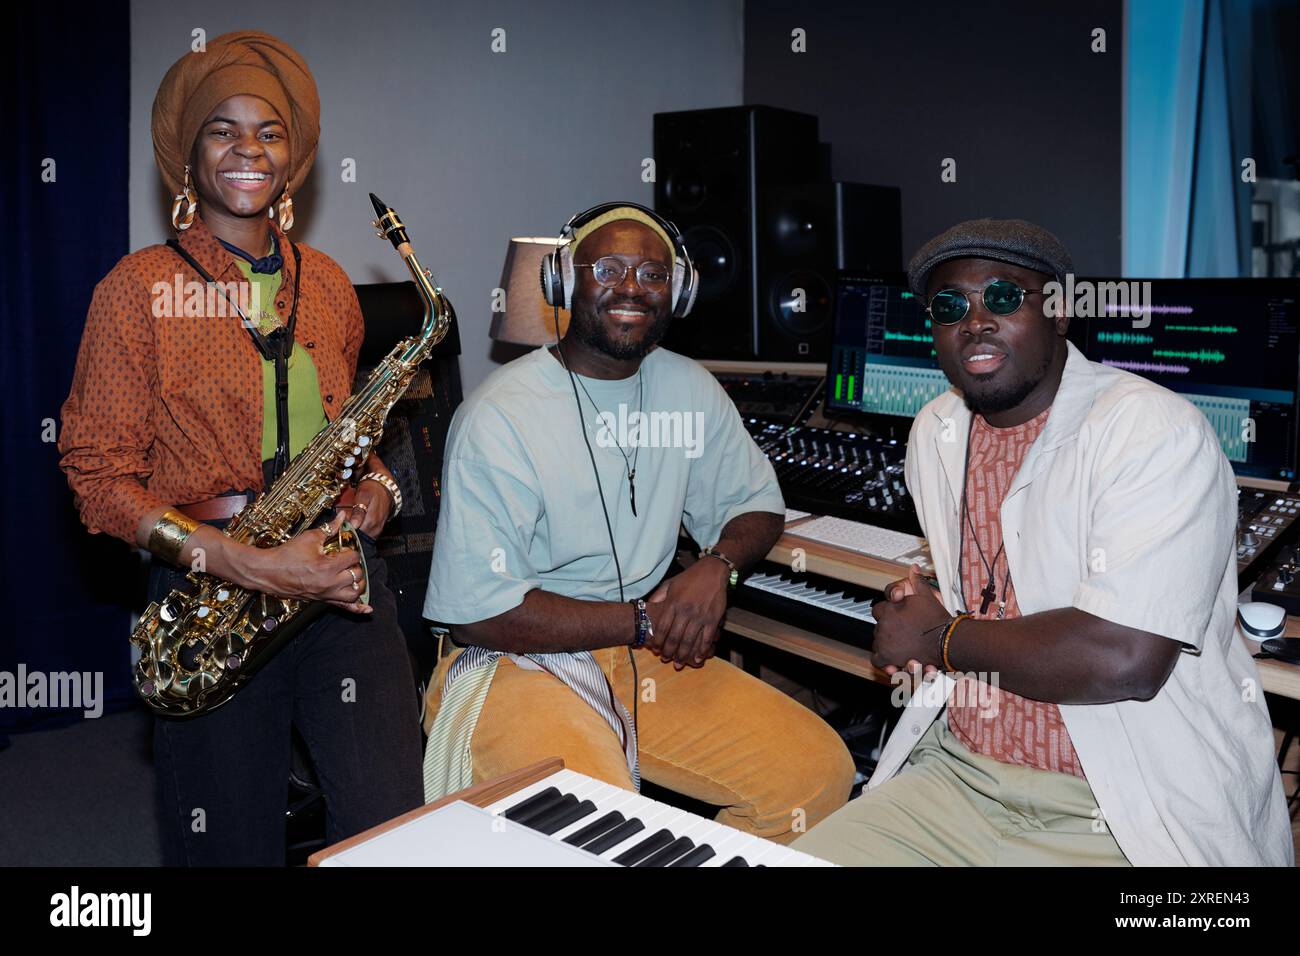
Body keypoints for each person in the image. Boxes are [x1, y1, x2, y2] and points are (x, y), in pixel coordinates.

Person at [793, 218, 1293, 866]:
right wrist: (935, 619)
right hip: (960, 778)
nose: (974, 321)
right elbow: (993, 585)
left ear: (1058, 313)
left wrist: (939, 639)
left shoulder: (1154, 433)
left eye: (1002, 297)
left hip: (1116, 805)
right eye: (951, 306)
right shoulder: (935, 431)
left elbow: (1125, 659)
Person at [57, 30, 423, 865]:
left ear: (293, 157)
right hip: (210, 594)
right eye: (222, 129)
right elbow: (98, 480)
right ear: (189, 156)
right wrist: (247, 564)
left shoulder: (329, 284)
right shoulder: (136, 288)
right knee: (227, 844)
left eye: (270, 131)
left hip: (337, 582)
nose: (248, 149)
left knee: (392, 832)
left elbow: (346, 435)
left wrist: (375, 492)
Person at [420, 204, 854, 843]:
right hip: (516, 661)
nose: (631, 288)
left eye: (652, 274)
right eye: (610, 269)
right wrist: (649, 620)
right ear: (564, 282)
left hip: (638, 655)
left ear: (677, 292)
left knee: (814, 775)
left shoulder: (690, 388)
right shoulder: (500, 416)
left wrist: (718, 566)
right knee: (603, 825)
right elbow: (478, 613)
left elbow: (756, 504)